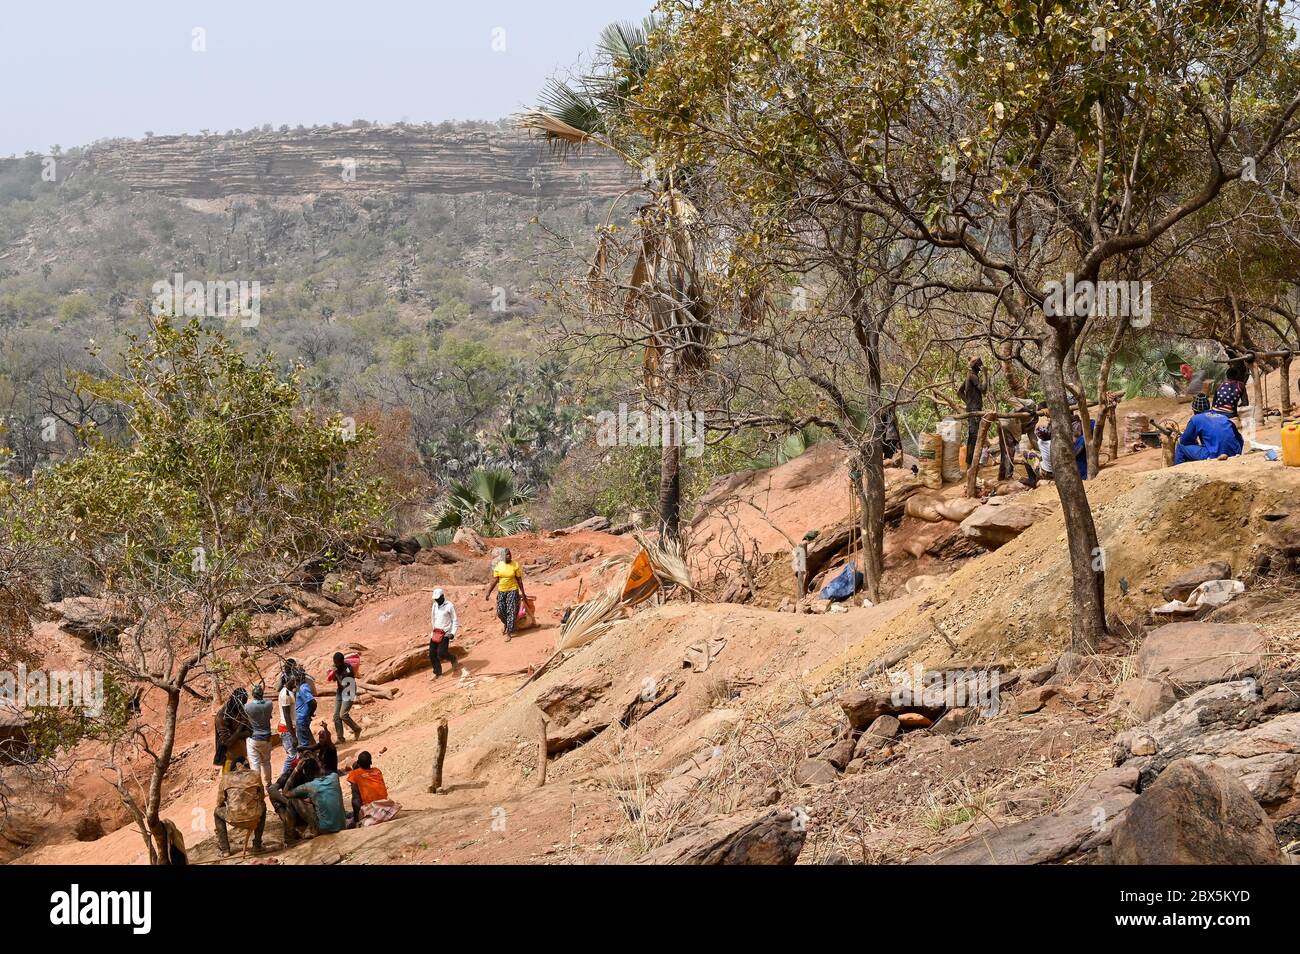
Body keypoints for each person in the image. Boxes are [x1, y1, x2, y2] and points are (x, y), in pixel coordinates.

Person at [214, 756, 266, 856]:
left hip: (234, 819)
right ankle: (257, 845)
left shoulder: (226, 777)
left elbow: (219, 802)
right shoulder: (255, 775)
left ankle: (225, 850)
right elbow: (262, 797)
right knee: (263, 806)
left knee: (217, 812)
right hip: (253, 817)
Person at [283, 759, 346, 837]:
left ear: (306, 773)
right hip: (342, 825)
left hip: (324, 829)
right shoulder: (334, 777)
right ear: (319, 768)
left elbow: (285, 793)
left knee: (292, 800)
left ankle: (289, 836)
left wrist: (296, 770)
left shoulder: (309, 786)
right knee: (313, 801)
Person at [1176, 396, 1243, 463]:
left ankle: (1177, 469)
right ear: (1209, 407)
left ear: (1194, 410)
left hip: (1213, 454)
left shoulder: (1196, 419)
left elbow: (1184, 441)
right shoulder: (1223, 417)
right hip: (1234, 452)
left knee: (1180, 445)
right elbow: (1239, 439)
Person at [484, 547, 527, 641]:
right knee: (500, 611)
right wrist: (488, 592)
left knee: (511, 610)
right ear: (503, 556)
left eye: (510, 554)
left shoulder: (515, 564)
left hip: (512, 590)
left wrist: (523, 593)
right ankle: (507, 624)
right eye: (507, 554)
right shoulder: (499, 566)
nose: (509, 556)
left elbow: (519, 580)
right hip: (502, 591)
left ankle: (509, 632)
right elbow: (495, 580)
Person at [344, 750, 395, 827]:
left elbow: (355, 799)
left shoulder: (354, 774)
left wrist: (356, 819)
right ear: (371, 762)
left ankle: (354, 818)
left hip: (372, 809)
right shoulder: (377, 771)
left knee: (348, 821)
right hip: (384, 806)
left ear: (358, 763)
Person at [243, 683, 275, 791]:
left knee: (255, 764)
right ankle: (269, 784)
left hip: (254, 738)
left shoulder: (248, 707)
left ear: (253, 694)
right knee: (266, 762)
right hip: (267, 737)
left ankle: (257, 787)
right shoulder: (269, 704)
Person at [957, 356, 986, 469]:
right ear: (977, 367)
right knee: (974, 436)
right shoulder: (973, 377)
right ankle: (971, 465)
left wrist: (968, 402)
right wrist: (986, 375)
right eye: (980, 366)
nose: (980, 368)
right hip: (974, 410)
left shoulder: (969, 377)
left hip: (972, 408)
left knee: (972, 436)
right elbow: (984, 390)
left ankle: (971, 463)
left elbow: (959, 392)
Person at [213, 688, 251, 772]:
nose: (242, 706)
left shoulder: (240, 711)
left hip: (242, 755)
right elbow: (227, 742)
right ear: (235, 701)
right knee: (230, 783)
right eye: (241, 704)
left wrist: (237, 735)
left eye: (244, 704)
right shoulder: (222, 716)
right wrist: (241, 726)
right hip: (229, 758)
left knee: (247, 782)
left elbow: (250, 732)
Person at [330, 652, 362, 742]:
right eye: (334, 662)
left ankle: (357, 729)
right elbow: (333, 679)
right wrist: (332, 673)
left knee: (343, 715)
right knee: (336, 716)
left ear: (342, 661)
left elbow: (344, 684)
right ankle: (340, 738)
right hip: (340, 691)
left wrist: (336, 673)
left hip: (349, 690)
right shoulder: (337, 667)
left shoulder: (348, 670)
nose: (336, 664)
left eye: (337, 663)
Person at [429, 588, 459, 678]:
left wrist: (452, 633)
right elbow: (433, 618)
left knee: (441, 653)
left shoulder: (449, 605)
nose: (437, 600)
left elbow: (455, 620)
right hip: (435, 633)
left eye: (438, 598)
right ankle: (437, 672)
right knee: (431, 653)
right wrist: (434, 630)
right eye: (435, 599)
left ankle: (453, 658)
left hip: (445, 633)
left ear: (442, 596)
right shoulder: (434, 605)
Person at [277, 669, 298, 761]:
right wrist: (293, 736)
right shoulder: (285, 695)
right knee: (292, 756)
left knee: (294, 756)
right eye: (293, 680)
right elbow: (287, 716)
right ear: (288, 681)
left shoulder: (289, 692)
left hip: (290, 728)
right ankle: (285, 775)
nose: (295, 682)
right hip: (287, 730)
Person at [294, 672, 317, 750]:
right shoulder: (303, 687)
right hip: (303, 717)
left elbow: (313, 702)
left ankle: (309, 759)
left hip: (302, 718)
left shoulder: (302, 688)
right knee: (308, 739)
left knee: (304, 745)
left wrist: (311, 713)